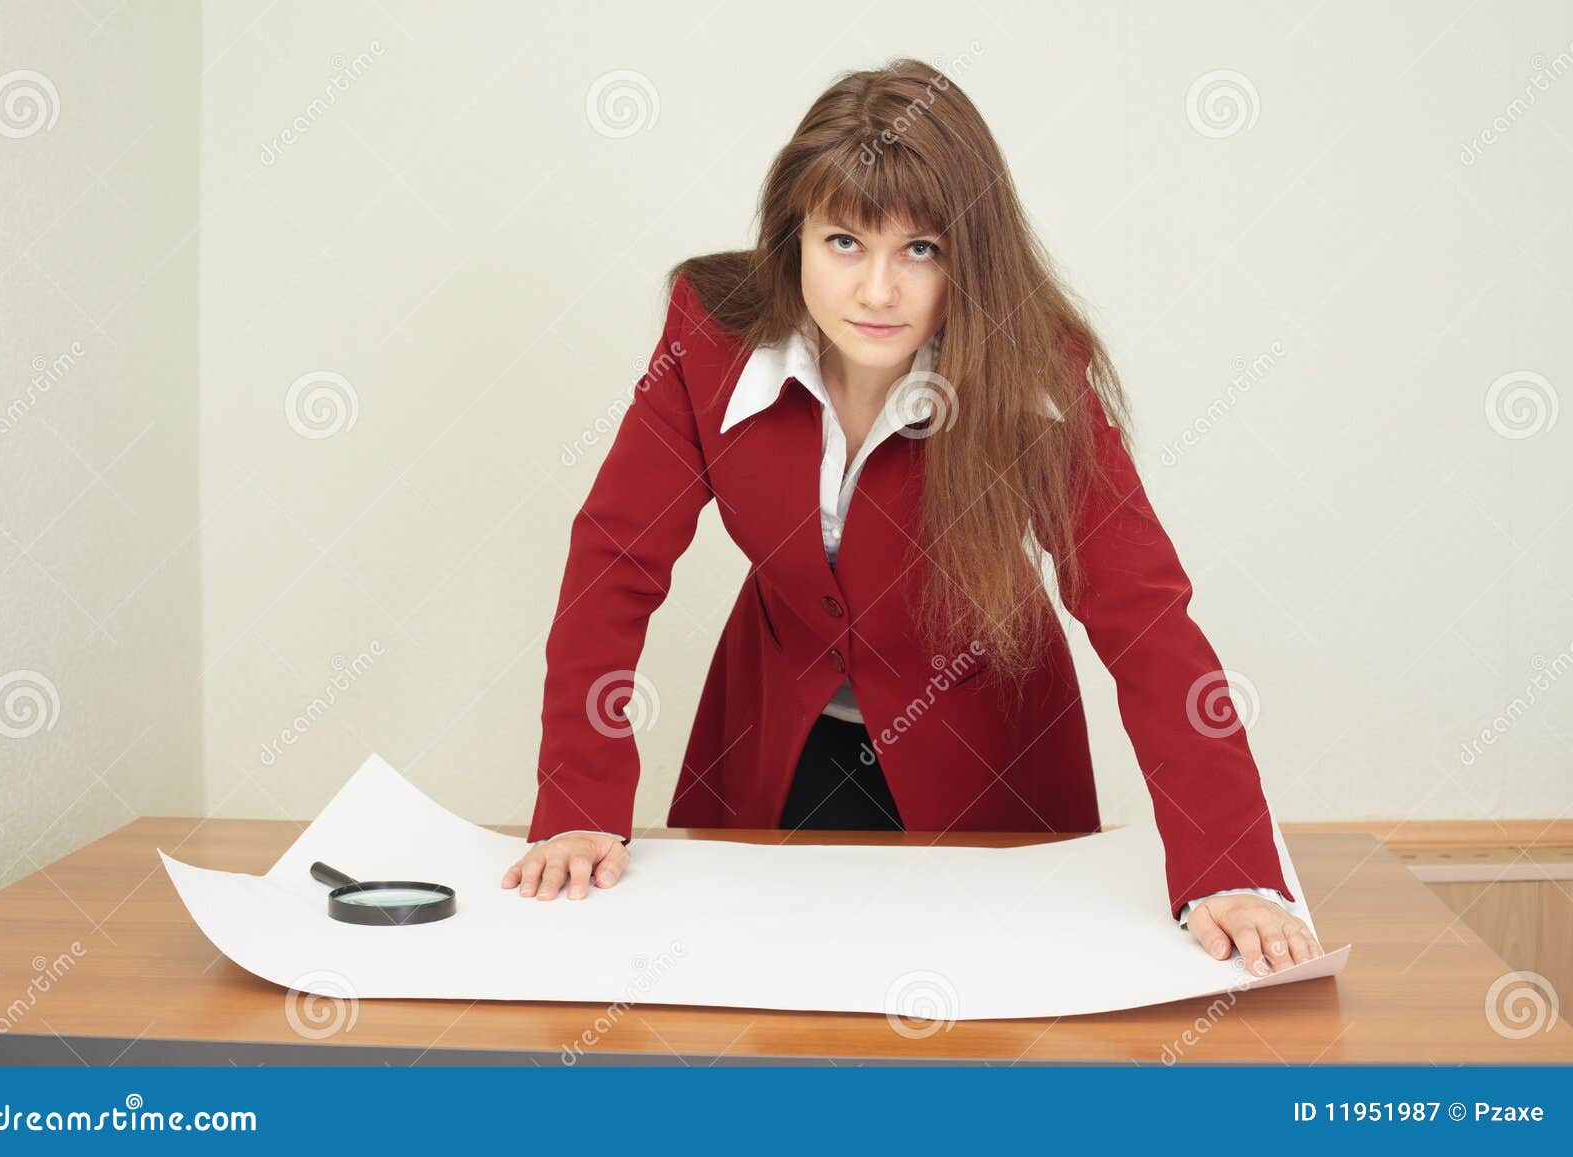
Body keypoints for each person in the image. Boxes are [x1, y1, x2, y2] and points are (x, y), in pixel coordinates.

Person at [503, 58, 1323, 978]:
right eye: (845, 242)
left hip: (987, 765)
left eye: (920, 249)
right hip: (774, 747)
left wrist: (1232, 866)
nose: (878, 290)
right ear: (793, 236)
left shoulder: (1036, 368)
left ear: (967, 255)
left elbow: (1143, 615)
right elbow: (614, 559)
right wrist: (578, 799)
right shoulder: (709, 334)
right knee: (749, 1021)